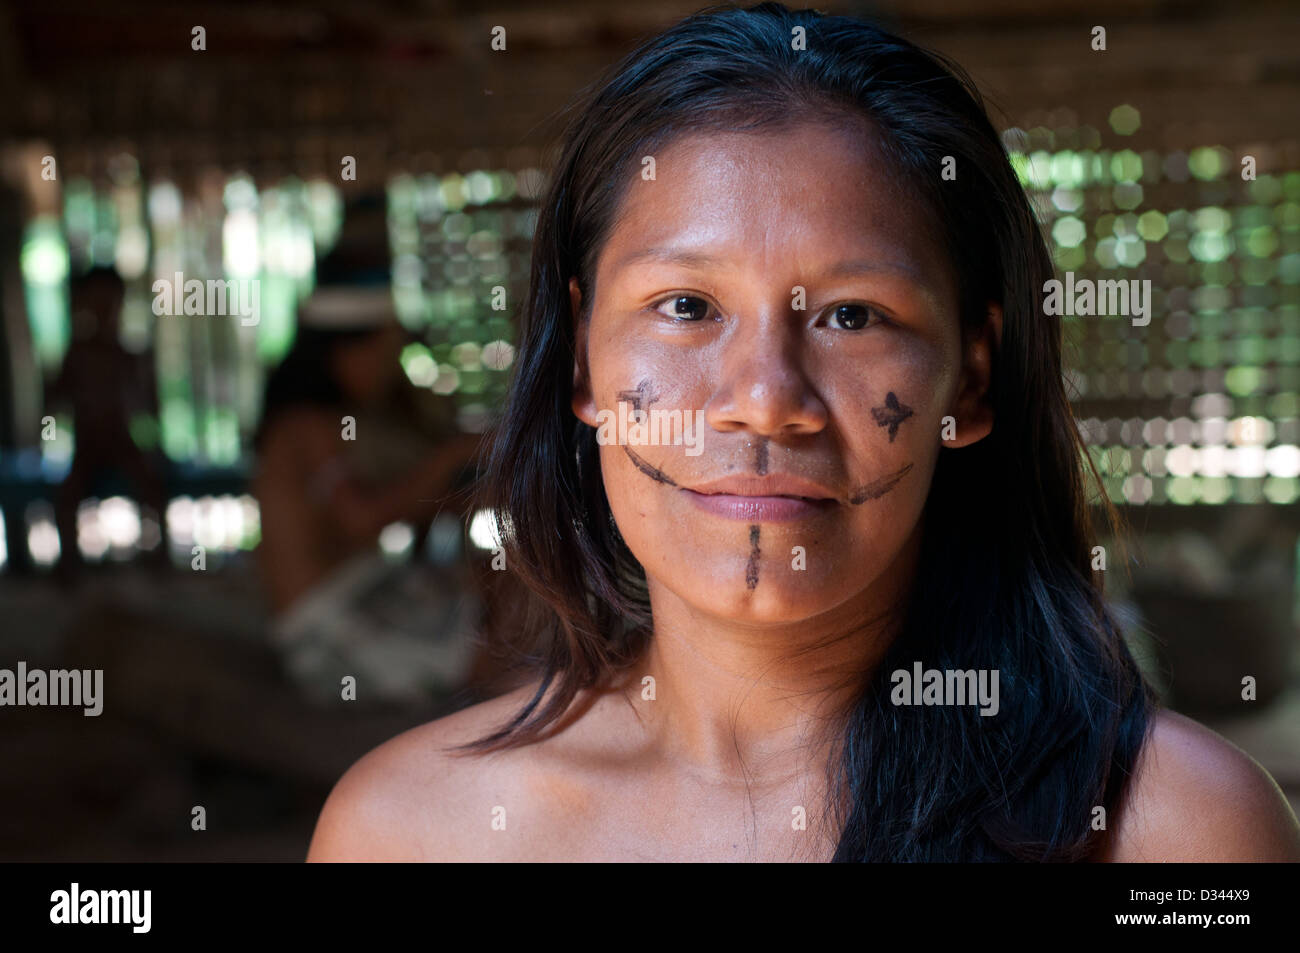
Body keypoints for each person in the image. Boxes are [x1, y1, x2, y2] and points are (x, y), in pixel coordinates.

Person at [307, 2, 1300, 861]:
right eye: (687, 305)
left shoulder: (1169, 831)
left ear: (975, 374)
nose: (765, 398)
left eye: (854, 314)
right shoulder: (405, 832)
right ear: (580, 364)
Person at [251, 285, 483, 705]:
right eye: (383, 354)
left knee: (494, 597)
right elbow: (359, 518)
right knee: (497, 650)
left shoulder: (322, 423)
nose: (389, 369)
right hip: (324, 629)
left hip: (348, 604)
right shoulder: (308, 426)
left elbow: (369, 514)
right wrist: (449, 458)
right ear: (343, 353)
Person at [49, 265, 169, 581]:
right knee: (67, 499)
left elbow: (148, 405)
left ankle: (158, 559)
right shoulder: (76, 354)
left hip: (121, 441)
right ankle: (70, 566)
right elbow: (55, 402)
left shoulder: (126, 355)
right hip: (87, 445)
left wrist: (156, 443)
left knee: (153, 491)